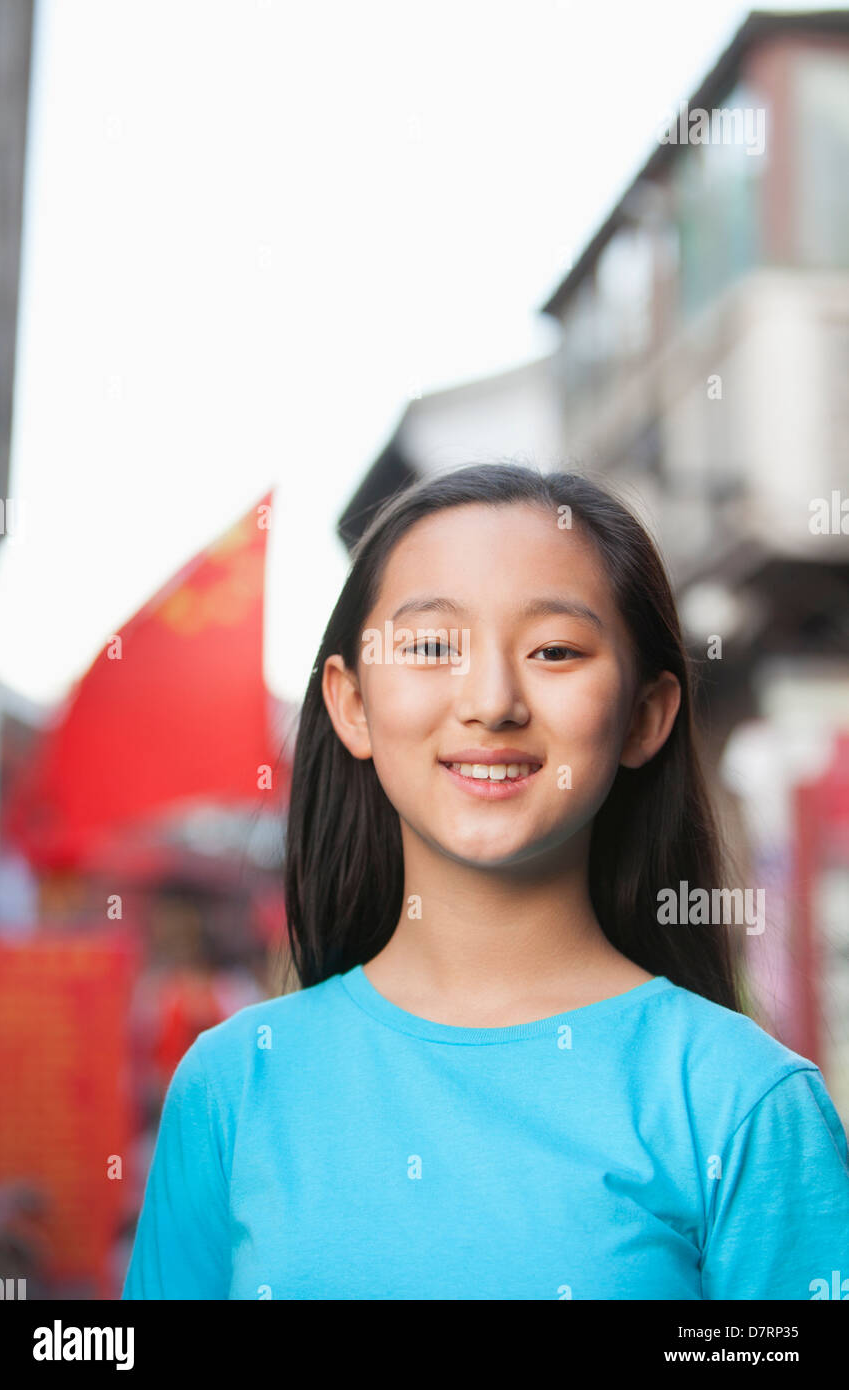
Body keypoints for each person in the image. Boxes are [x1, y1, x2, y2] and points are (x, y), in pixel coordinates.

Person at [121, 463, 849, 1300]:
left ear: (645, 716)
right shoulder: (232, 1086)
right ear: (352, 704)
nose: (492, 701)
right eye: (432, 647)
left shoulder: (744, 1103)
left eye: (555, 651)